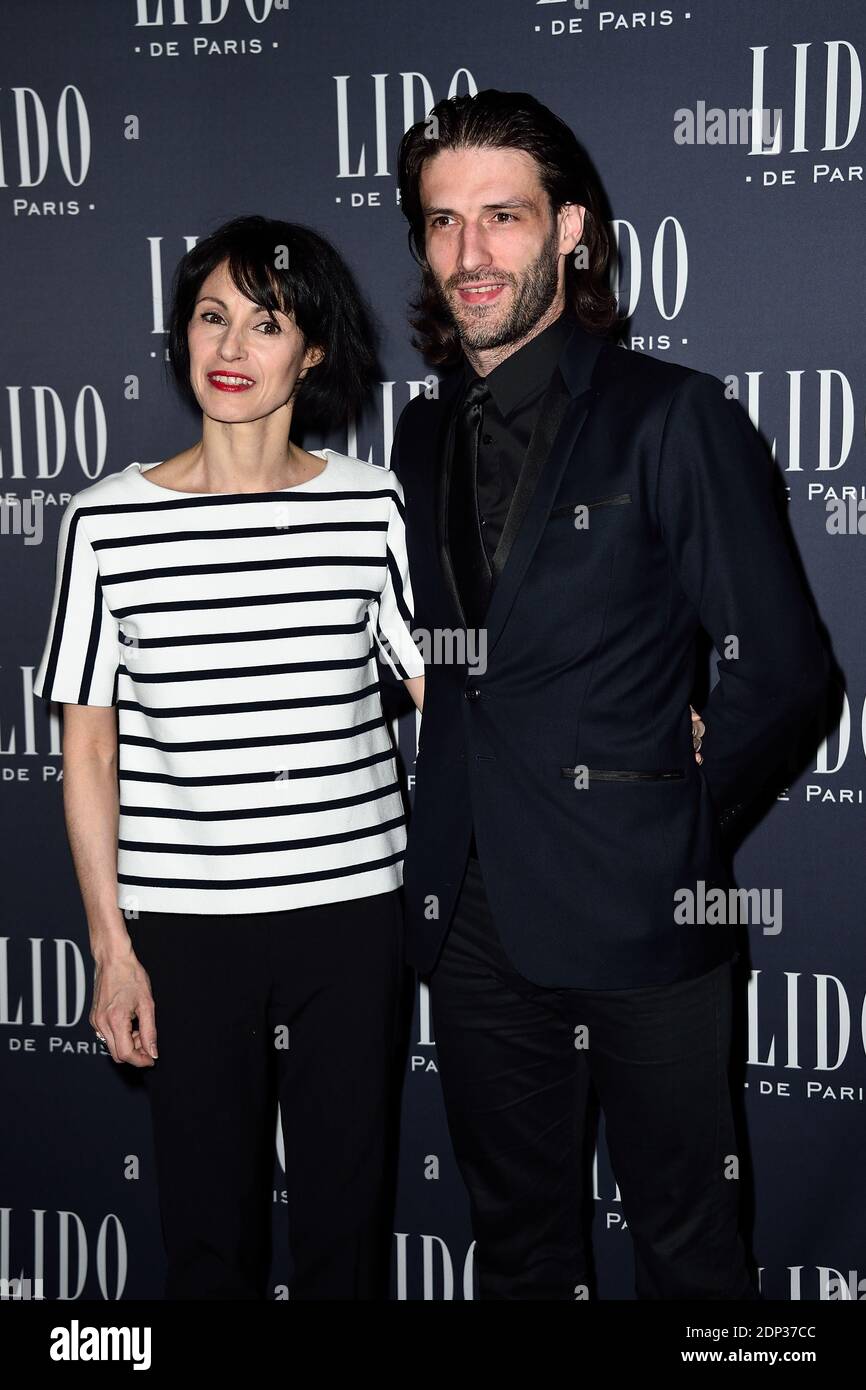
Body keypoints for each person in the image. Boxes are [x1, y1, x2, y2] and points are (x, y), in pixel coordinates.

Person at [390, 89, 830, 1299]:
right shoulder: (418, 440)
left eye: (502, 218)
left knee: (691, 1257)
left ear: (570, 228)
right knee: (519, 1248)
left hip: (643, 917)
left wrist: (675, 822)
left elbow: (785, 670)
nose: (470, 255)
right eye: (441, 224)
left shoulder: (671, 415)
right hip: (474, 920)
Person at [33, 214, 425, 1300]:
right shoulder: (104, 521)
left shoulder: (370, 504)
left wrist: (618, 722)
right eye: (212, 316)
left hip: (352, 915)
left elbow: (452, 691)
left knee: (346, 1226)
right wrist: (111, 947)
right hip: (186, 931)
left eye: (266, 321)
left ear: (313, 350)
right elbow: (90, 750)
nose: (232, 346)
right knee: (206, 1234)